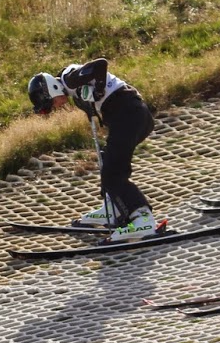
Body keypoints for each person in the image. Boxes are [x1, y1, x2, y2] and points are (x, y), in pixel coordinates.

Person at [26, 59, 158, 241]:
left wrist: (99, 89)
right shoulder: (72, 87)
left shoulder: (70, 79)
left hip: (130, 115)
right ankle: (113, 209)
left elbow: (100, 65)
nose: (56, 106)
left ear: (52, 90)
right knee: (107, 162)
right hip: (131, 116)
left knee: (113, 173)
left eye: (52, 103)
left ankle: (142, 219)